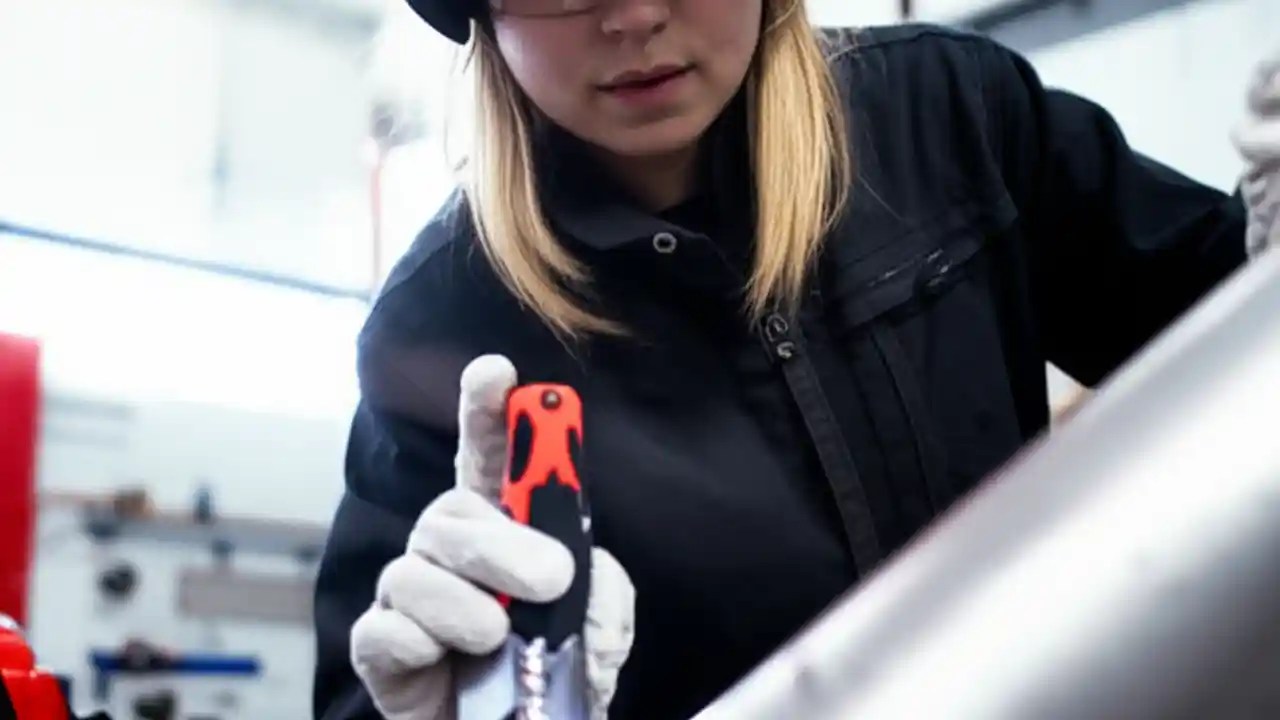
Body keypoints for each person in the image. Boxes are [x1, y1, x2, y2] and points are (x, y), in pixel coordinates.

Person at [313, 1, 1280, 718]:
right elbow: (379, 684)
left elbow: (1239, 377)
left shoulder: (951, 118)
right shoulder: (439, 324)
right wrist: (460, 702)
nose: (635, 15)